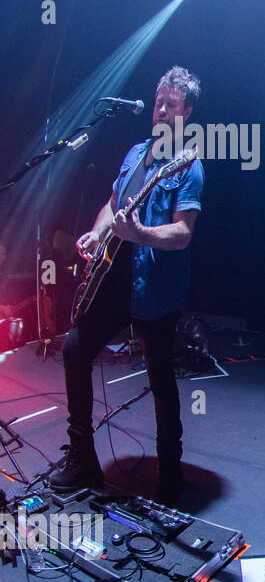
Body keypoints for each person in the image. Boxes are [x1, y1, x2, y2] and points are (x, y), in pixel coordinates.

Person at [47, 66, 204, 500]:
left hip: (154, 286)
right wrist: (98, 233)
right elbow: (114, 203)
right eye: (158, 102)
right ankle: (82, 459)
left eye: (170, 105)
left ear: (186, 112)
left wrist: (141, 235)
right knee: (76, 348)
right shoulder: (136, 155)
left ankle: (170, 472)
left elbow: (183, 233)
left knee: (160, 379)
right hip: (115, 277)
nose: (160, 109)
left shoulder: (188, 165)